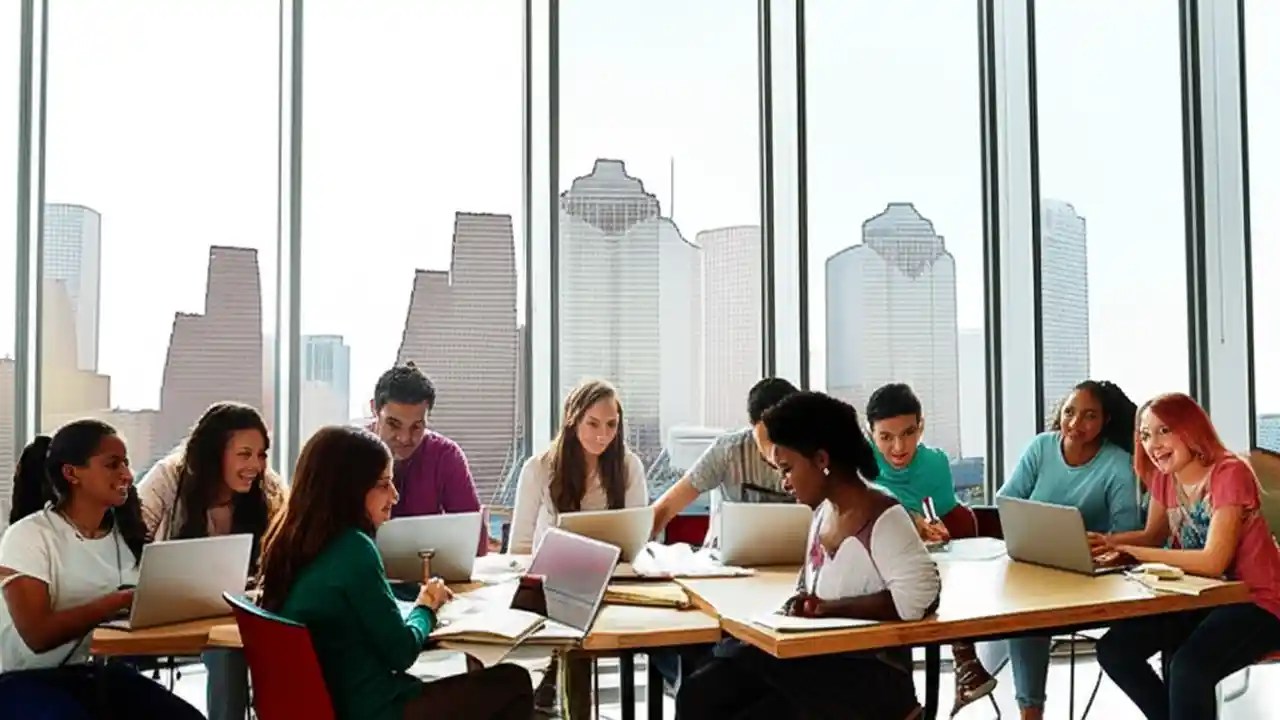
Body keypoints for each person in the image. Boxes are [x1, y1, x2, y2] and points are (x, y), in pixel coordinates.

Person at [677, 391, 940, 719]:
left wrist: (828, 609)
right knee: (701, 692)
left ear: (821, 460)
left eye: (787, 469)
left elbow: (919, 599)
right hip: (816, 659)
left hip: (866, 674)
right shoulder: (821, 514)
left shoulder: (884, 516)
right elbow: (810, 590)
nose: (784, 483)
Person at [257, 425, 533, 720]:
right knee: (513, 682)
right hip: (372, 709)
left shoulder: (290, 540)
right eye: (383, 484)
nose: (395, 495)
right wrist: (426, 607)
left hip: (325, 704)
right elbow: (401, 653)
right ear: (349, 489)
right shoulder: (354, 548)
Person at [1094, 393, 1280, 720]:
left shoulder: (1229, 473)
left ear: (1190, 428)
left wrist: (1134, 553)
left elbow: (1213, 561)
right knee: (1115, 650)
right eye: (1145, 435)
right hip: (1197, 598)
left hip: (1260, 601)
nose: (1154, 444)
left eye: (1164, 431)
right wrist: (1102, 542)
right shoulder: (1166, 479)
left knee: (1189, 667)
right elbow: (1153, 535)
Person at [0, 420, 203, 719]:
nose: (127, 475)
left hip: (100, 674)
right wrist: (117, 603)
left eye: (126, 463)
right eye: (112, 465)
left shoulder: (124, 537)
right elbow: (38, 635)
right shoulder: (29, 536)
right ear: (72, 473)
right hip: (26, 680)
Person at [981, 380, 1144, 720]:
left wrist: (1098, 542)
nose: (1075, 423)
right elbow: (1007, 501)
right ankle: (1024, 706)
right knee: (1019, 607)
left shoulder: (1118, 465)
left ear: (1105, 421)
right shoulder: (1041, 447)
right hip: (1032, 565)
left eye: (1089, 416)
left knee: (1027, 615)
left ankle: (1028, 712)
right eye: (1070, 412)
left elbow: (1126, 533)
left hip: (1087, 576)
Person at [138, 401, 286, 720]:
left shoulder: (267, 486)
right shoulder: (170, 476)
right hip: (176, 608)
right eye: (244, 454)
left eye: (261, 454)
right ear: (213, 453)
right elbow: (131, 535)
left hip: (239, 610)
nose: (256, 466)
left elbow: (290, 540)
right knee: (227, 647)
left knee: (232, 641)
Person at [509, 379, 646, 716]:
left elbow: (638, 539)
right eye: (593, 423)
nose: (603, 434)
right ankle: (564, 691)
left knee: (581, 621)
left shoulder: (628, 467)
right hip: (550, 584)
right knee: (572, 618)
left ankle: (559, 686)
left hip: (610, 579)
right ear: (573, 420)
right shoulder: (540, 468)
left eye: (611, 424)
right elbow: (520, 546)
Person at [864, 383, 994, 715]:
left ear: (921, 426)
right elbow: (864, 512)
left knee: (935, 574)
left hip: (921, 564)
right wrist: (909, 522)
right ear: (870, 434)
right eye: (886, 437)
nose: (898, 447)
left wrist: (936, 529)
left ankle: (955, 670)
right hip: (870, 561)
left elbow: (938, 514)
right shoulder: (859, 463)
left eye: (908, 433)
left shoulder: (934, 463)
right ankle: (956, 666)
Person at [650, 377, 800, 545]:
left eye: (786, 434)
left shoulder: (809, 455)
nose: (777, 448)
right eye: (770, 436)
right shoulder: (727, 451)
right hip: (727, 563)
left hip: (794, 560)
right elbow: (668, 505)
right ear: (752, 425)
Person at [368, 363, 490, 555]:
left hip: (431, 575)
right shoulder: (351, 453)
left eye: (417, 426)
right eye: (394, 424)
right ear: (375, 409)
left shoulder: (445, 456)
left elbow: (474, 540)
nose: (405, 438)